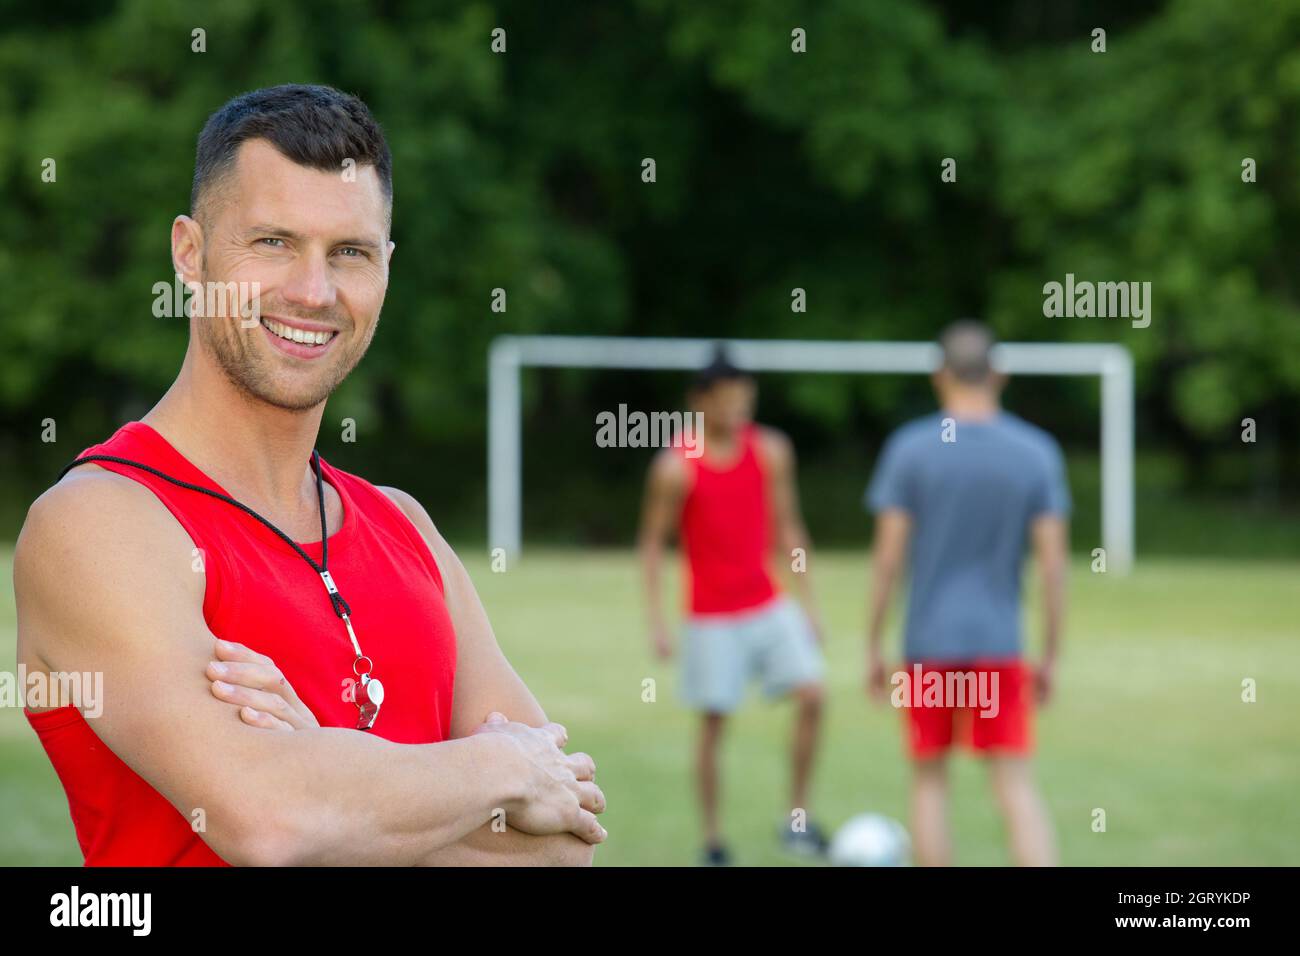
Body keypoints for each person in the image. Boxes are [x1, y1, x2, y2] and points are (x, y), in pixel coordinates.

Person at [13, 84, 605, 866]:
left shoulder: (405, 528)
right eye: (273, 243)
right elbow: (271, 823)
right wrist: (500, 769)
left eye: (349, 252)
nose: (313, 291)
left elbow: (564, 847)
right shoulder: (101, 523)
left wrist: (323, 765)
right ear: (189, 253)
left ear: (386, 268)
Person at [864, 319, 1068, 867]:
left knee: (930, 782)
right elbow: (1053, 567)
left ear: (939, 375)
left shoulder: (910, 449)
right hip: (1000, 645)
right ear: (998, 373)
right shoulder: (1036, 452)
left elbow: (888, 559)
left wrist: (872, 643)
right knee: (1014, 784)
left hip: (928, 643)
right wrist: (1049, 653)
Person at [638, 350, 827, 864]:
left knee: (814, 695)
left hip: (768, 602)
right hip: (711, 617)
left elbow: (788, 525)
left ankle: (797, 819)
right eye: (728, 400)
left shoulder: (770, 450)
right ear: (700, 402)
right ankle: (714, 839)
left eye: (747, 399)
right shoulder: (676, 468)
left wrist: (809, 602)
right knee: (715, 723)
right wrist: (657, 622)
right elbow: (653, 543)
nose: (739, 409)